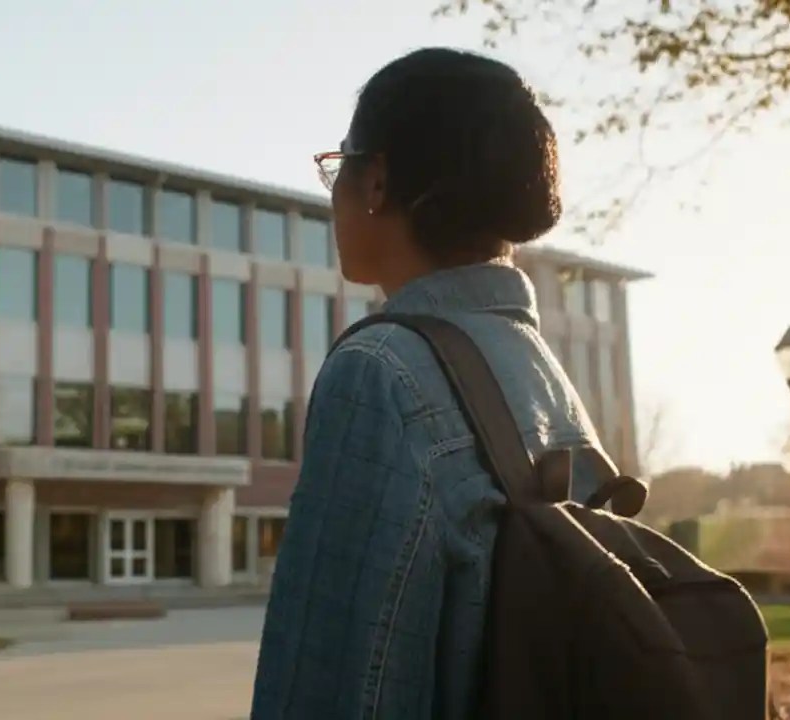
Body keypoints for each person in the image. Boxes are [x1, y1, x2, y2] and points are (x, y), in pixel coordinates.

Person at [250, 48, 605, 719]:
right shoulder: (540, 373)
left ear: (376, 181)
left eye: (338, 166)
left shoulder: (381, 371)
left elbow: (329, 688)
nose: (333, 192)